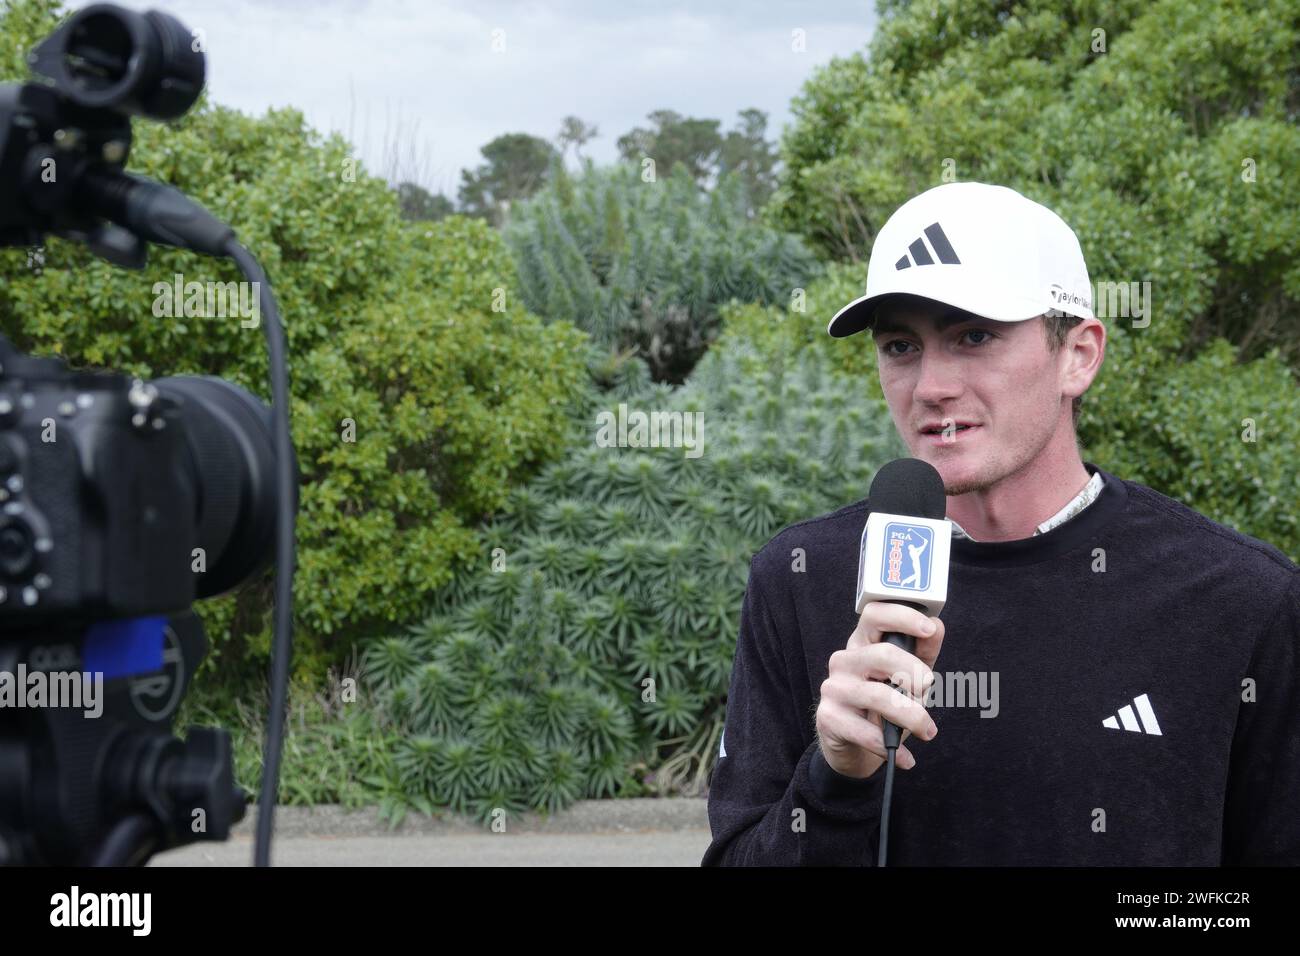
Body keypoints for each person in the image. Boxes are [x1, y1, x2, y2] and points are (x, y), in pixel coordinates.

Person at [701, 182, 1299, 866]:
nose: (930, 387)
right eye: (900, 346)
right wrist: (835, 773)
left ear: (1078, 355)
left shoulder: (1243, 600)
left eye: (975, 335)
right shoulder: (800, 577)